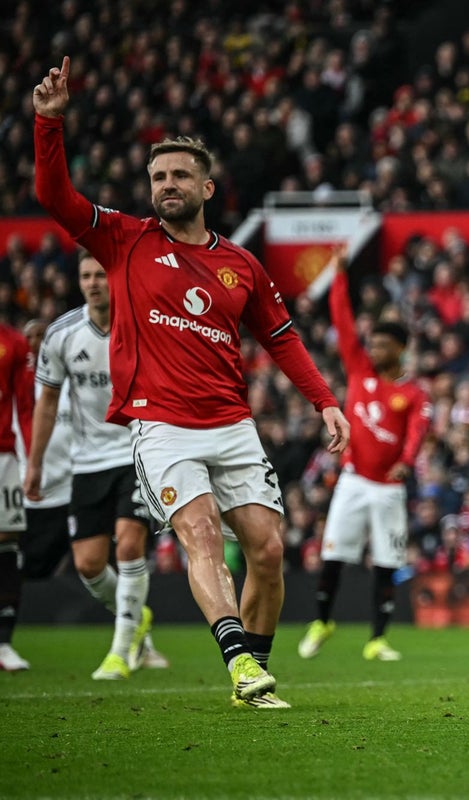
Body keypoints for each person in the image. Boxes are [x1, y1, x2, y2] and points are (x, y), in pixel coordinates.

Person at [33, 57, 351, 708]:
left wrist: (325, 402)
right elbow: (54, 198)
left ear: (207, 188)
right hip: (163, 426)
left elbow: (282, 338)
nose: (166, 184)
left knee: (267, 551)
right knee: (200, 531)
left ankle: (254, 677)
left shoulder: (241, 265)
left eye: (179, 174)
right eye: (157, 176)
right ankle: (236, 661)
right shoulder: (123, 240)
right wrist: (49, 123)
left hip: (231, 425)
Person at [24, 253, 168, 680]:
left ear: (114, 278)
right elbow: (47, 403)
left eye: (100, 275)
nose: (93, 283)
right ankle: (135, 617)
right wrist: (35, 465)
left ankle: (121, 651)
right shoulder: (62, 334)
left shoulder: (142, 323)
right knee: (88, 564)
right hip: (86, 463)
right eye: (86, 276)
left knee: (127, 546)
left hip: (137, 452)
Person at [298, 249, 430, 662]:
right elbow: (341, 320)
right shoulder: (358, 371)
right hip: (353, 480)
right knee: (333, 555)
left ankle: (377, 639)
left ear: (401, 349)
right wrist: (339, 277)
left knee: (387, 562)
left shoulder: (411, 394)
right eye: (372, 342)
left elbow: (416, 434)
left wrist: (406, 461)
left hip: (388, 488)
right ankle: (322, 621)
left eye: (384, 344)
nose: (373, 349)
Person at [19, 319, 73, 582]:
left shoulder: (66, 384)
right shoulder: (16, 386)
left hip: (66, 492)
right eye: (30, 336)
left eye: (42, 336)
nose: (35, 342)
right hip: (22, 494)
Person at [0, 318, 32, 672]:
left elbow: (25, 405)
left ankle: (4, 643)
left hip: (3, 454)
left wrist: (29, 462)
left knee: (6, 540)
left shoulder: (13, 342)